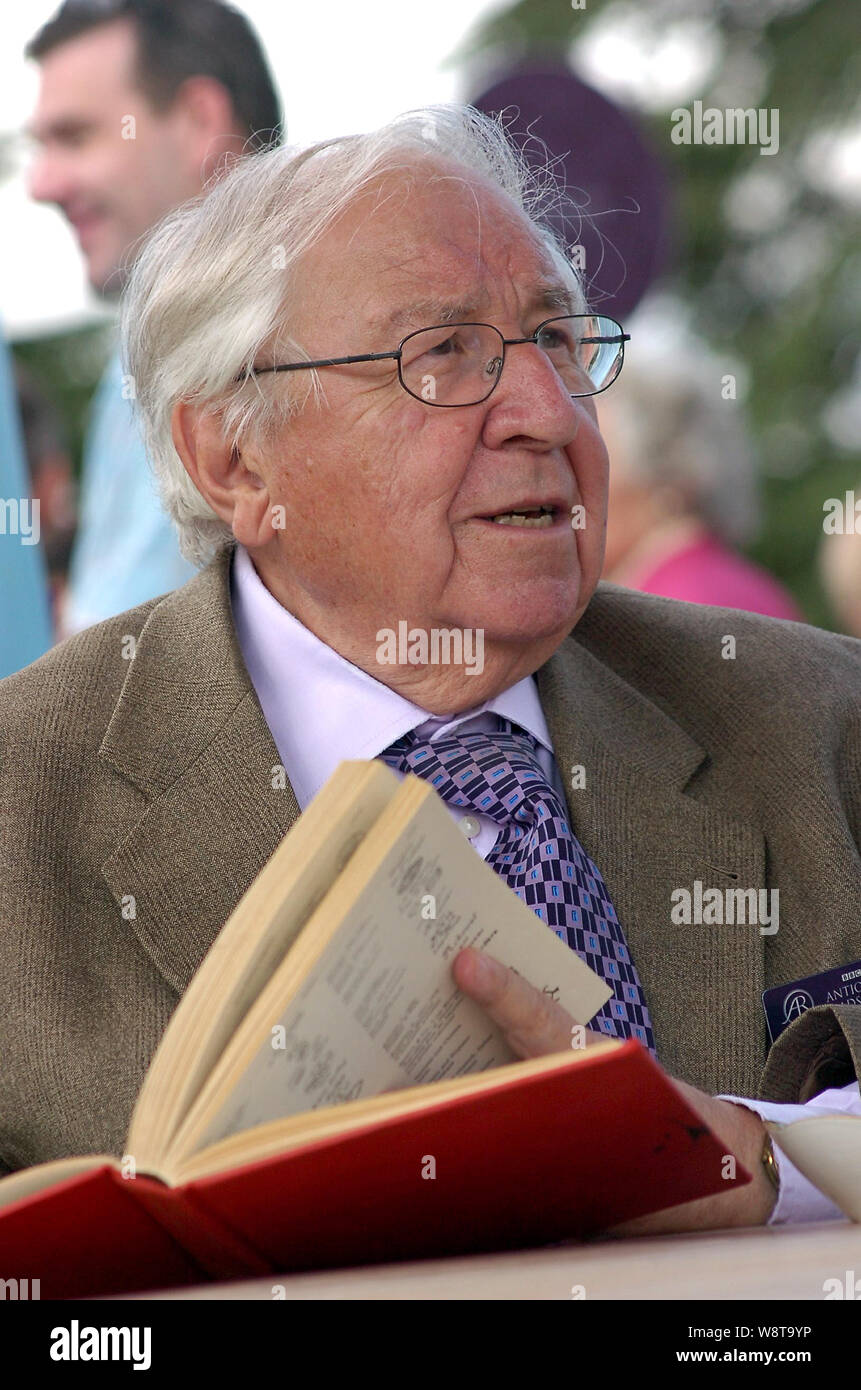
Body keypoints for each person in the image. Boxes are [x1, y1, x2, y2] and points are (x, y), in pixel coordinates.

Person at [1, 107, 860, 1242]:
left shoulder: (818, 721)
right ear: (234, 457)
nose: (551, 413)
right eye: (442, 353)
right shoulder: (25, 794)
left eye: (559, 340)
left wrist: (752, 1157)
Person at [25, 0, 282, 635]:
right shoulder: (147, 347)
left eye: (75, 136)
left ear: (200, 122)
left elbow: (120, 662)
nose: (39, 183)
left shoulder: (286, 344)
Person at [599, 308, 803, 620]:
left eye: (601, 458)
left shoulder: (659, 615)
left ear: (663, 478)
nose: (574, 481)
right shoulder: (756, 588)